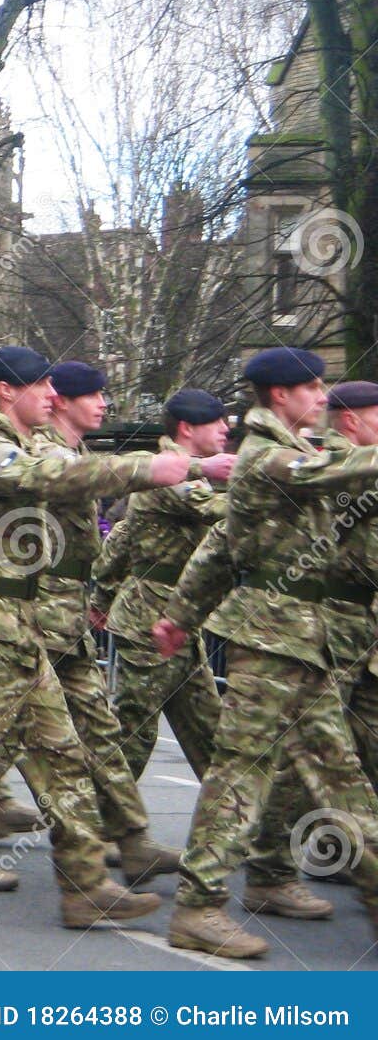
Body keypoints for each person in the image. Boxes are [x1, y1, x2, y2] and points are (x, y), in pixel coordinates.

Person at [0, 346, 201, 932]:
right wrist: (142, 468)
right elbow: (41, 478)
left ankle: (86, 886)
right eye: (44, 388)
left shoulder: (23, 446)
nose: (54, 397)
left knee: (63, 759)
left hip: (26, 633)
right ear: (9, 392)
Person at [156, 348, 378, 958]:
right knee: (240, 773)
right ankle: (198, 908)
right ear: (279, 395)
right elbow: (318, 477)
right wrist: (179, 616)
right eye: (311, 387)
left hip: (307, 643)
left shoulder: (299, 453)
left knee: (340, 777)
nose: (321, 397)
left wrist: (181, 615)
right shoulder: (264, 456)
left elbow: (220, 549)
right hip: (271, 641)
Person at [92, 388, 230, 780]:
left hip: (179, 620)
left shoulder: (190, 470)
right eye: (215, 422)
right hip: (149, 620)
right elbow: (218, 510)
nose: (224, 429)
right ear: (187, 428)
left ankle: (235, 832)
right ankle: (95, 824)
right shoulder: (170, 473)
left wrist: (101, 593)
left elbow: (121, 537)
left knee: (212, 737)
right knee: (132, 734)